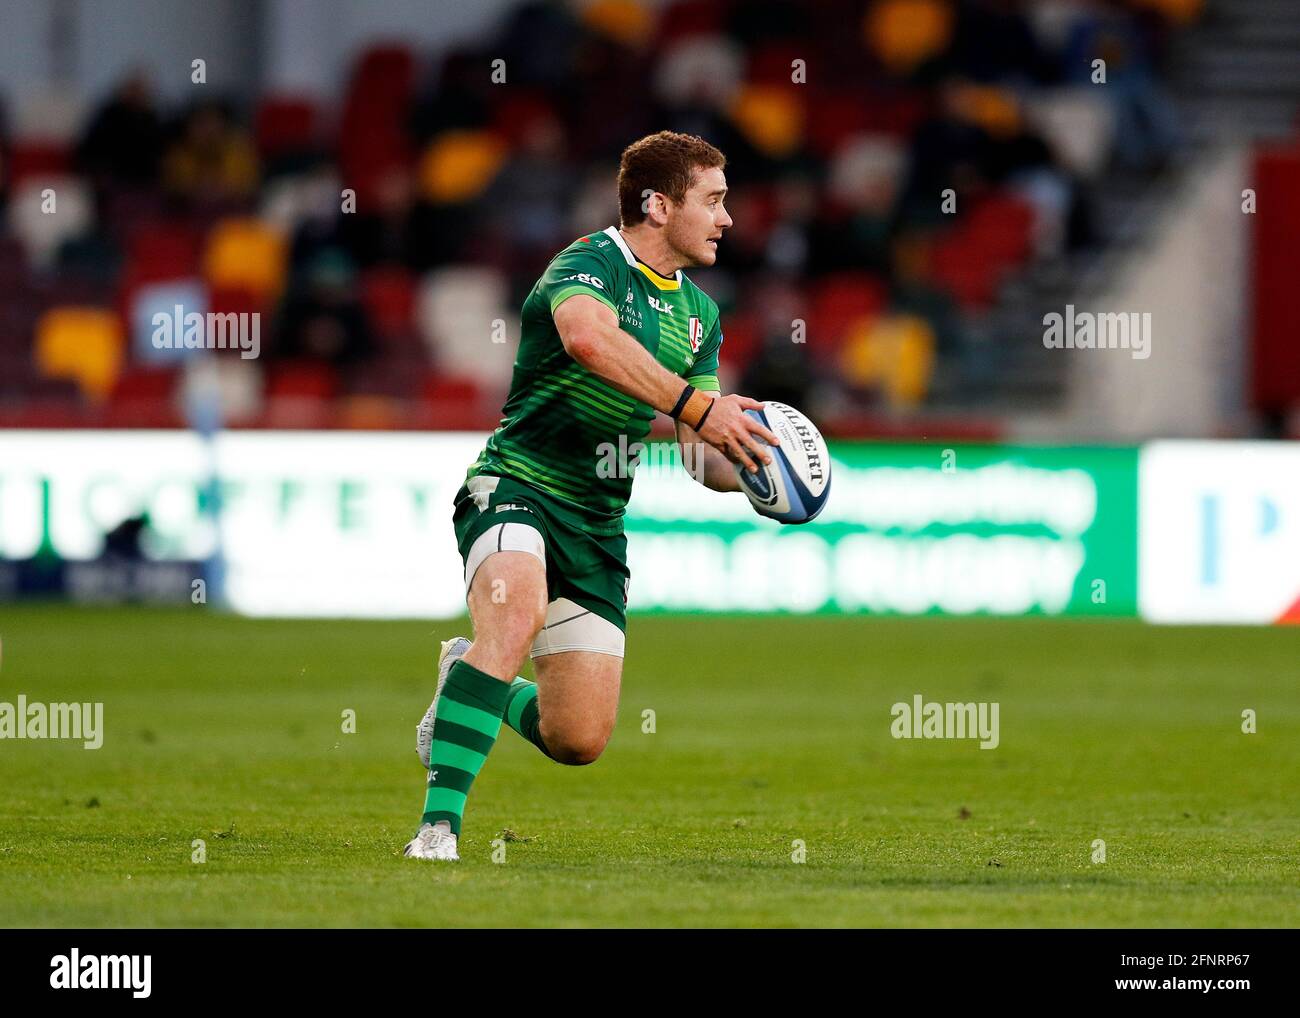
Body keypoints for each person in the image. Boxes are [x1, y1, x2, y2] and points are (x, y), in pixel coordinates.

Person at [405, 131, 778, 861]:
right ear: (659, 204)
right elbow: (588, 342)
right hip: (516, 485)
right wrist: (702, 411)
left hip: (597, 521)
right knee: (516, 618)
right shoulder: (589, 263)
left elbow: (698, 453)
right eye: (713, 200)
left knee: (577, 739)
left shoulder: (700, 314)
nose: (727, 218)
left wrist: (762, 471)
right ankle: (437, 831)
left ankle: (464, 675)